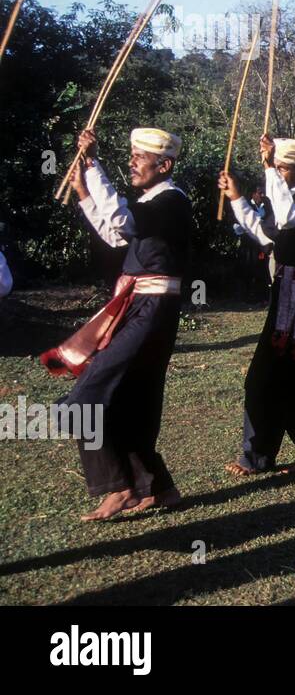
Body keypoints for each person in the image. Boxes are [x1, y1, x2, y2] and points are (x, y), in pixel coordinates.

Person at [42, 128, 191, 520]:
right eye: (131, 155)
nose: (132, 162)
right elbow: (114, 234)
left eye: (138, 157)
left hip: (152, 309)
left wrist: (94, 167)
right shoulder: (151, 202)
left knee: (88, 395)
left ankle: (121, 486)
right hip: (139, 307)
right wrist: (86, 190)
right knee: (130, 397)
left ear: (165, 165)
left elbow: (122, 221)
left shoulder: (172, 202)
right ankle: (158, 488)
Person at [220, 136, 295, 476]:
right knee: (282, 380)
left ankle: (261, 455)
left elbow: (285, 219)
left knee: (271, 378)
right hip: (287, 294)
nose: (275, 173)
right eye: (275, 167)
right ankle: (294, 455)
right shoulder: (286, 200)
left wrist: (268, 168)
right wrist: (237, 198)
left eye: (281, 168)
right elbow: (267, 234)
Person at [232, 185, 271, 303]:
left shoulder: (267, 207)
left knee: (261, 270)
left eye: (262, 193)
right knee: (247, 269)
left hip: (261, 245)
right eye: (259, 193)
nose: (262, 195)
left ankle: (260, 296)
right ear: (253, 194)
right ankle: (245, 296)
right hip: (248, 245)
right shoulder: (246, 207)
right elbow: (237, 227)